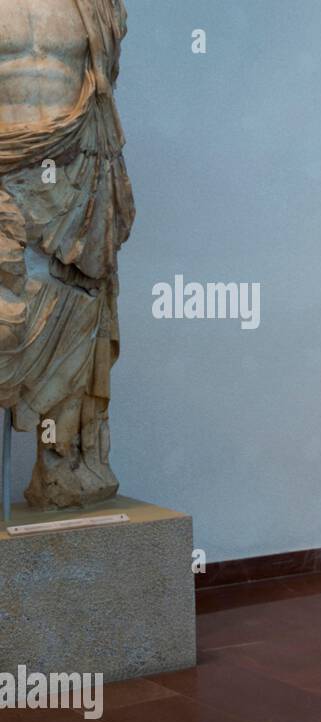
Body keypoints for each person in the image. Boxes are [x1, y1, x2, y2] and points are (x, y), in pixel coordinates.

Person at [0, 0, 133, 508]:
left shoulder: (97, 5)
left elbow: (101, 87)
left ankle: (64, 467)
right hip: (4, 182)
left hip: (77, 181)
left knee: (77, 311)